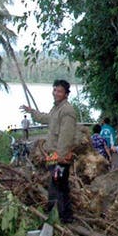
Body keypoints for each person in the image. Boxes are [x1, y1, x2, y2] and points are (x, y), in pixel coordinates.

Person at [20, 79, 79, 223]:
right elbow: (46, 118)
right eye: (54, 90)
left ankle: (60, 216)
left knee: (57, 185)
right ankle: (64, 216)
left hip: (60, 155)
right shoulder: (57, 109)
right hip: (54, 154)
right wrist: (32, 111)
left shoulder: (67, 110)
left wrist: (61, 155)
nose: (56, 93)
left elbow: (66, 135)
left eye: (59, 91)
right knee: (59, 184)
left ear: (66, 94)